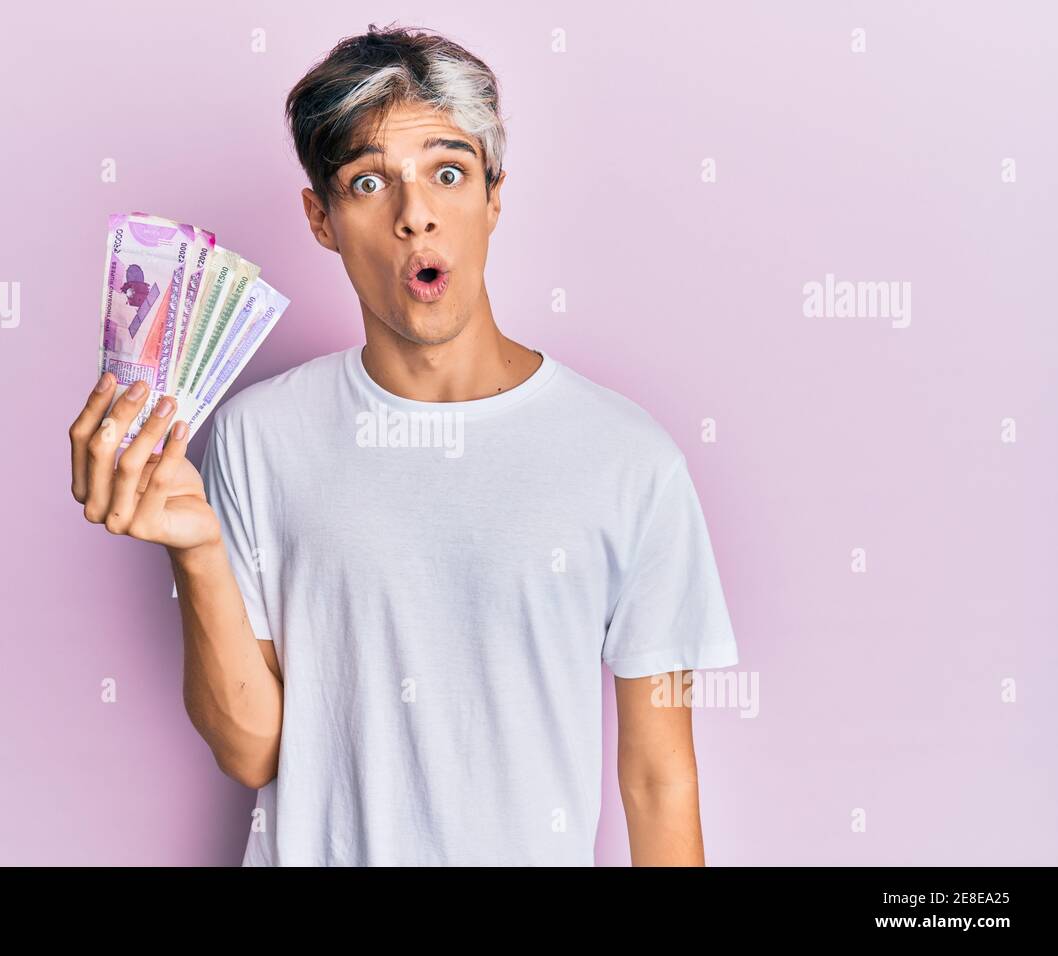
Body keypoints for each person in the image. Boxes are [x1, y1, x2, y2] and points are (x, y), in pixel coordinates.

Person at [68, 24, 739, 866]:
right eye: (368, 182)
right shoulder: (255, 437)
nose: (414, 213)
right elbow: (251, 751)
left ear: (494, 197)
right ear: (320, 218)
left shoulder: (629, 460)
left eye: (448, 173)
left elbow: (659, 779)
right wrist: (196, 552)